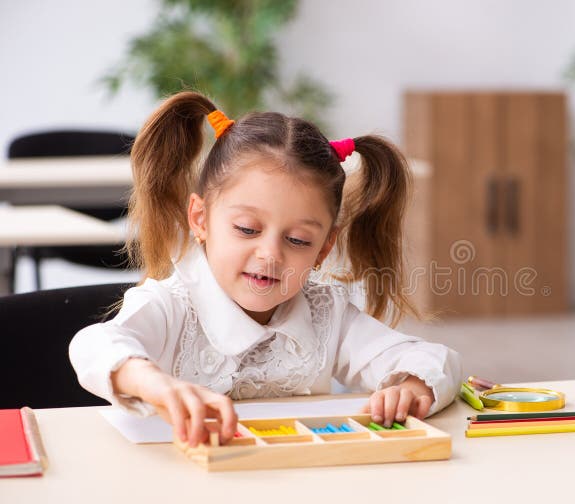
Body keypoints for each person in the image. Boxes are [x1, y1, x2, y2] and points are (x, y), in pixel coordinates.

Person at [69, 91, 461, 447]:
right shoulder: (172, 305)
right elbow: (94, 346)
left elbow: (433, 358)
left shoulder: (328, 314)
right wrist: (154, 385)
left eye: (298, 241)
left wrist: (411, 384)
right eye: (246, 229)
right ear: (201, 218)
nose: (270, 254)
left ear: (324, 248)